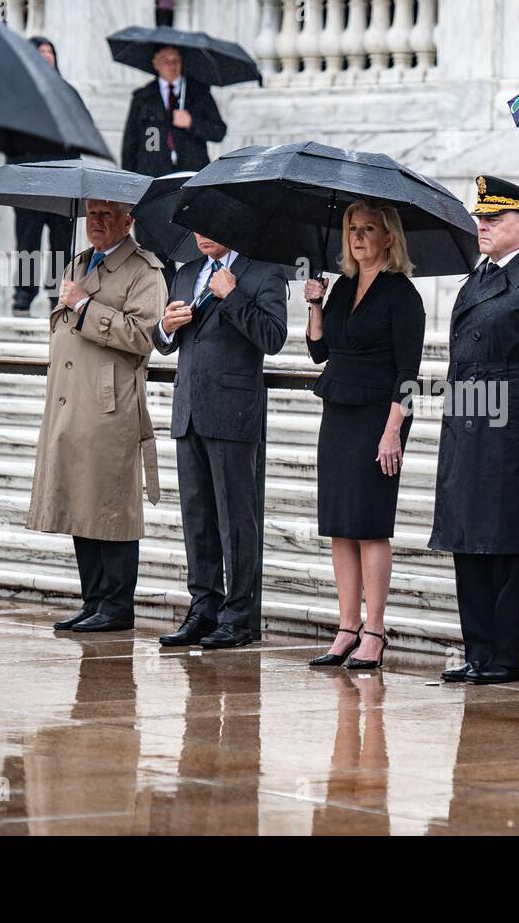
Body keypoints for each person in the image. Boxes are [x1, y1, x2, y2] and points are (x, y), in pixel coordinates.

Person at [431, 176, 519, 685]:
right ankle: (479, 650)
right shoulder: (481, 276)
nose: (481, 226)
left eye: (492, 220)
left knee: (512, 541)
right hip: (471, 424)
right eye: (481, 218)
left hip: (515, 429)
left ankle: (510, 655)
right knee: (470, 538)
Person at [28, 200, 168, 632]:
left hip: (110, 402)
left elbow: (143, 336)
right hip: (71, 400)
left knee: (111, 505)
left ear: (128, 222)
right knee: (80, 500)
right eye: (91, 215)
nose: (96, 223)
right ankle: (93, 600)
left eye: (107, 216)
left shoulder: (146, 270)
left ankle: (116, 605)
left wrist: (87, 306)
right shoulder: (79, 261)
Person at [303, 201, 426, 669]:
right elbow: (320, 349)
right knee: (340, 524)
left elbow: (410, 373)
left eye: (368, 229)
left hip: (380, 417)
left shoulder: (402, 294)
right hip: (338, 410)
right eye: (352, 229)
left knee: (371, 525)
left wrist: (393, 431)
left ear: (388, 238)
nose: (357, 237)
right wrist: (316, 303)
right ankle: (346, 628)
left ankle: (374, 630)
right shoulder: (345, 287)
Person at [153, 230, 288, 650]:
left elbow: (273, 338)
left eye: (209, 225)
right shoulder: (185, 273)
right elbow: (163, 342)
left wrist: (231, 296)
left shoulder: (263, 273)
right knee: (197, 518)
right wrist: (164, 327)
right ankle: (203, 607)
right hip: (189, 409)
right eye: (194, 227)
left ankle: (238, 615)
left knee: (235, 520)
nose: (200, 235)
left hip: (233, 411)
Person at [121, 43, 228, 283]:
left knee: (194, 240)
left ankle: (193, 294)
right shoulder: (143, 97)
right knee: (155, 245)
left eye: (176, 60)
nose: (172, 65)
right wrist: (130, 190)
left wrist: (191, 122)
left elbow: (218, 131)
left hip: (190, 179)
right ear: (155, 64)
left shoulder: (198, 92)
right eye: (166, 60)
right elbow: (130, 145)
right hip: (153, 180)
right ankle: (164, 299)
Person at [11, 37, 78, 316]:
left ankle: (57, 294)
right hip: (29, 179)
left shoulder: (67, 92)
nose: (46, 55)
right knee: (28, 241)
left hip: (62, 179)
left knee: (61, 242)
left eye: (50, 51)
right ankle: (24, 293)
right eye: (40, 51)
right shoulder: (18, 95)